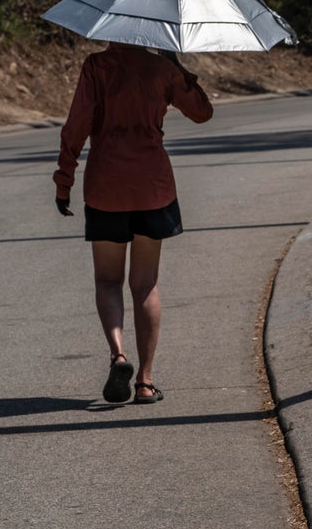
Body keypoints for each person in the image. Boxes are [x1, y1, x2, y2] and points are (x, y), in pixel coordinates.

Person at [54, 42, 213, 405]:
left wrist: (64, 179)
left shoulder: (97, 65)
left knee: (108, 280)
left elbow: (77, 126)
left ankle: (118, 355)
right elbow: (202, 113)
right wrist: (177, 69)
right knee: (145, 285)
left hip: (106, 187)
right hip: (153, 189)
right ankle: (145, 380)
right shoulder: (161, 69)